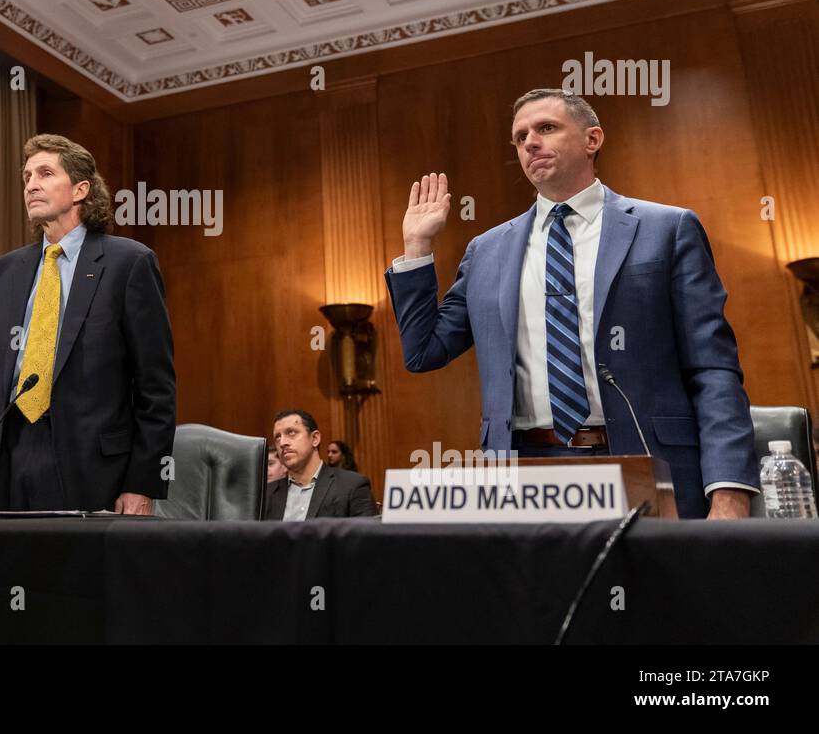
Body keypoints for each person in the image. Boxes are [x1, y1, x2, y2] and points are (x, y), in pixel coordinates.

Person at [386, 88, 759, 519]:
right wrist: (417, 245)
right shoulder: (486, 250)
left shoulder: (667, 229)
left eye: (546, 128)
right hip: (523, 474)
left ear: (592, 139)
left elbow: (712, 368)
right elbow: (423, 352)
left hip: (647, 462)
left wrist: (730, 489)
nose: (529, 142)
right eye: (520, 136)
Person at [0, 134, 176, 513]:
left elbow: (155, 387)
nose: (31, 184)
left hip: (89, 467)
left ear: (81, 189)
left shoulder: (128, 263)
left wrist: (141, 484)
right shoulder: (8, 271)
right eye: (27, 176)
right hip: (5, 457)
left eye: (45, 173)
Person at [265, 410, 376, 520]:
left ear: (315, 439)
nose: (283, 442)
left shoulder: (351, 486)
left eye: (291, 433)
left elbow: (367, 536)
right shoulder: (266, 494)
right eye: (278, 437)